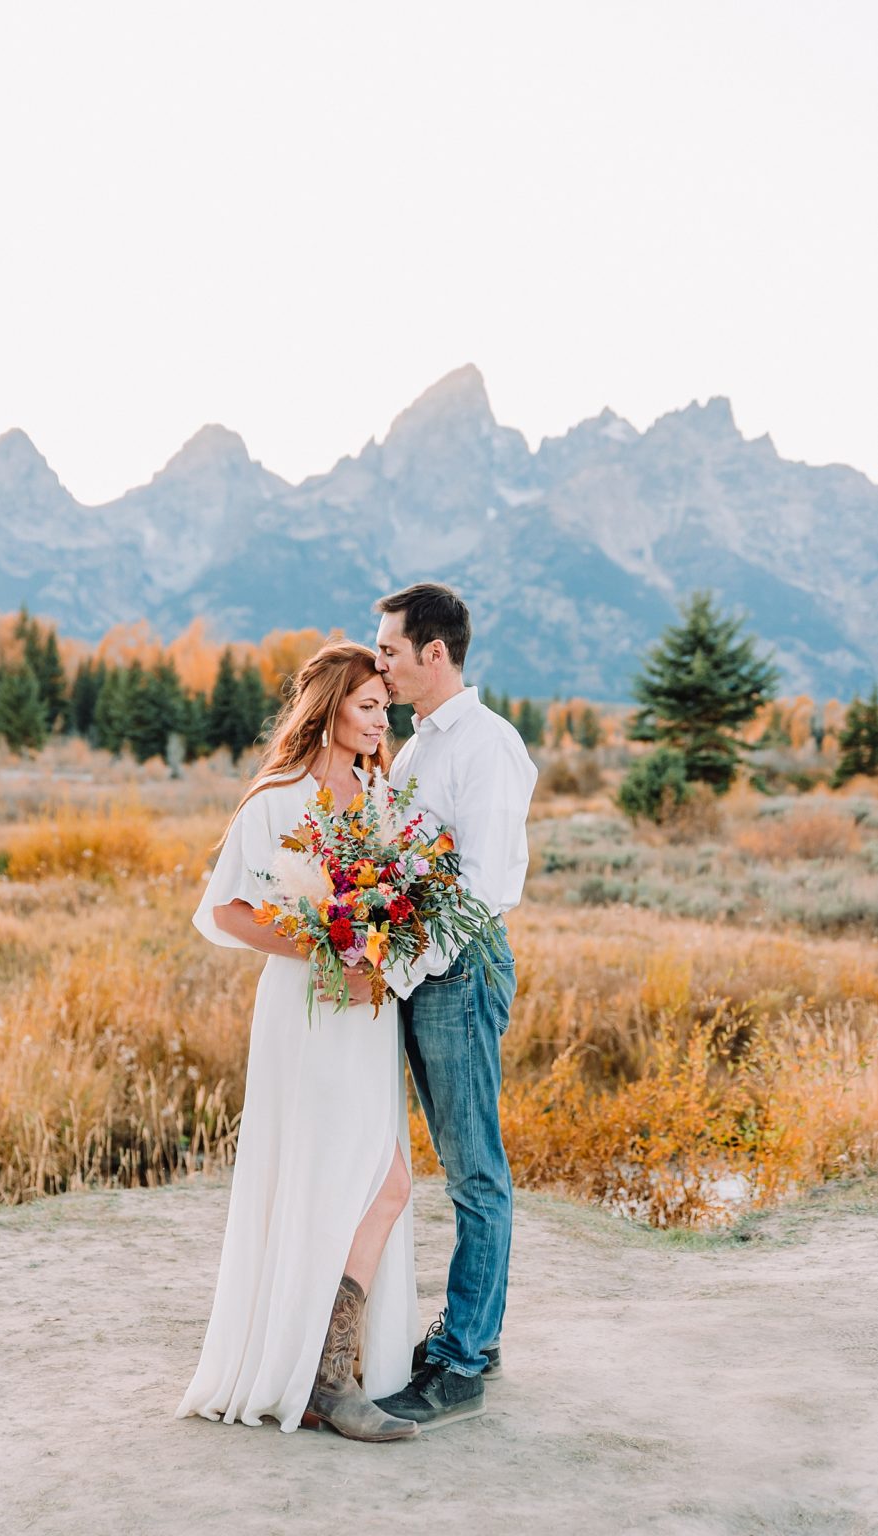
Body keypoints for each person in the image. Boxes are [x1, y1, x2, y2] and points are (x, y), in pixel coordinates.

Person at [174, 639, 420, 1442]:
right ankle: (323, 1377)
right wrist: (327, 953)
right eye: (368, 705)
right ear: (329, 710)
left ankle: (330, 1367)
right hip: (309, 1012)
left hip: (366, 1016)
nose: (383, 719)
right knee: (356, 1180)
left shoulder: (379, 793)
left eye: (385, 706)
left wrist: (384, 949)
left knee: (376, 1180)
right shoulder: (274, 800)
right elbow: (227, 914)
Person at [364, 583, 537, 1428]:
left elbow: (482, 888)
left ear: (435, 654)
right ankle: (476, 1331)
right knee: (452, 1165)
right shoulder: (412, 750)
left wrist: (404, 970)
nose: (379, 664)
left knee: (474, 1173)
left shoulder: (486, 746)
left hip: (459, 967)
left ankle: (463, 1362)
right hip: (423, 969)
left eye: (389, 651)